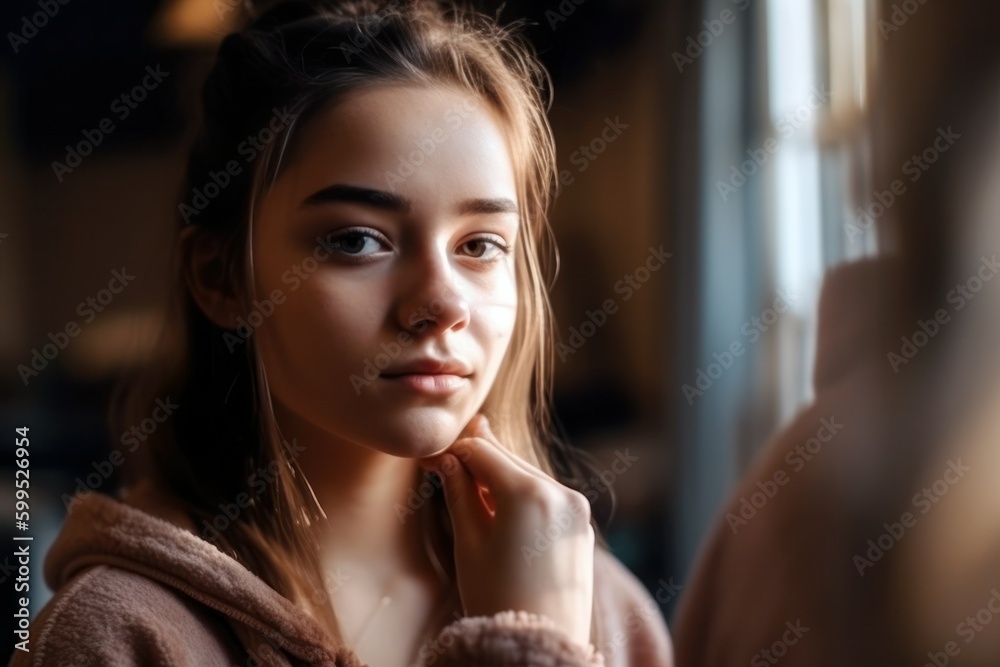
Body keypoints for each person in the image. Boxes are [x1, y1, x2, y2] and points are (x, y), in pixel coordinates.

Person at [10, 1, 673, 665]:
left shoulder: (608, 617)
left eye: (480, 244)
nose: (441, 303)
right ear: (221, 278)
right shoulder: (117, 638)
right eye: (357, 240)